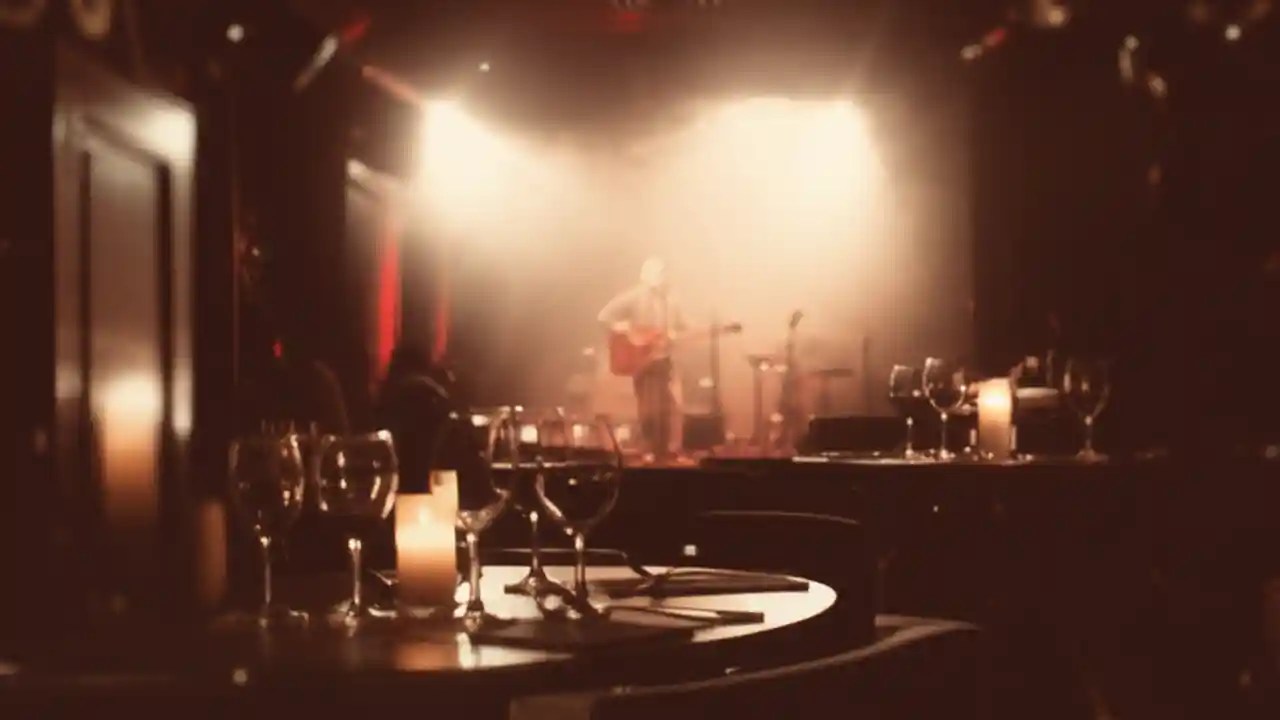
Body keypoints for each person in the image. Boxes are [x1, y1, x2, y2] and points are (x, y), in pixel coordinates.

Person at [598, 257, 687, 462]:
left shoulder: (671, 300)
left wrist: (683, 332)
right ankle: (648, 448)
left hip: (664, 358)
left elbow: (682, 325)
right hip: (642, 359)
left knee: (667, 405)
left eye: (663, 272)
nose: (661, 276)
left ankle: (663, 449)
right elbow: (605, 315)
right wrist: (628, 330)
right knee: (648, 405)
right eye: (656, 272)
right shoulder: (634, 296)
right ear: (644, 276)